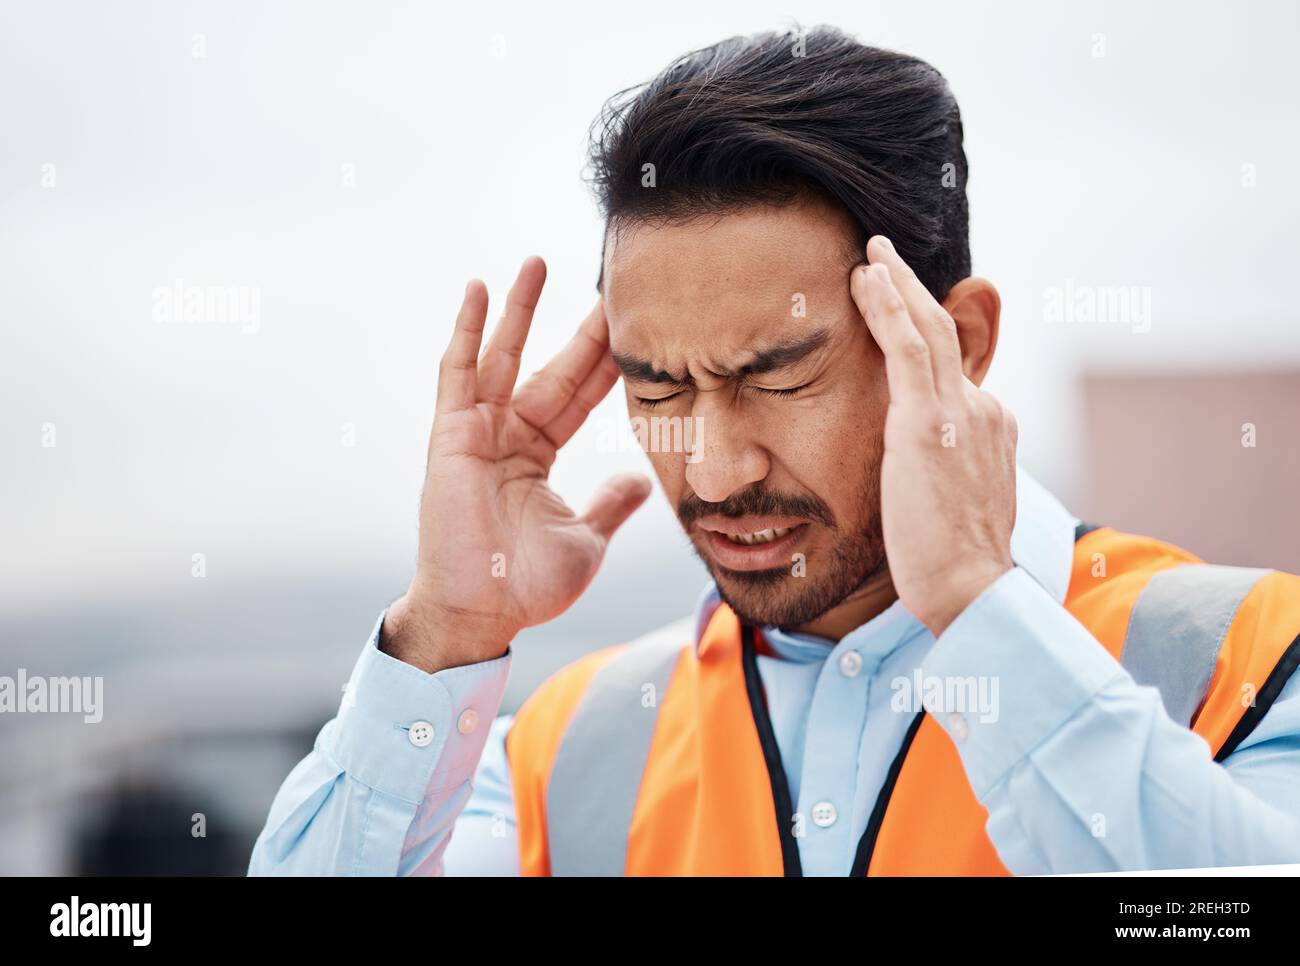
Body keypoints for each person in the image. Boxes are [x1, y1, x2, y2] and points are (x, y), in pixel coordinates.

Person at [249, 26, 1300, 876]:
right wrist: (446, 629)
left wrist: (983, 610)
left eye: (777, 377)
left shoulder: (1250, 665)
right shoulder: (563, 753)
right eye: (656, 385)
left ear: (959, 343)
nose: (712, 470)